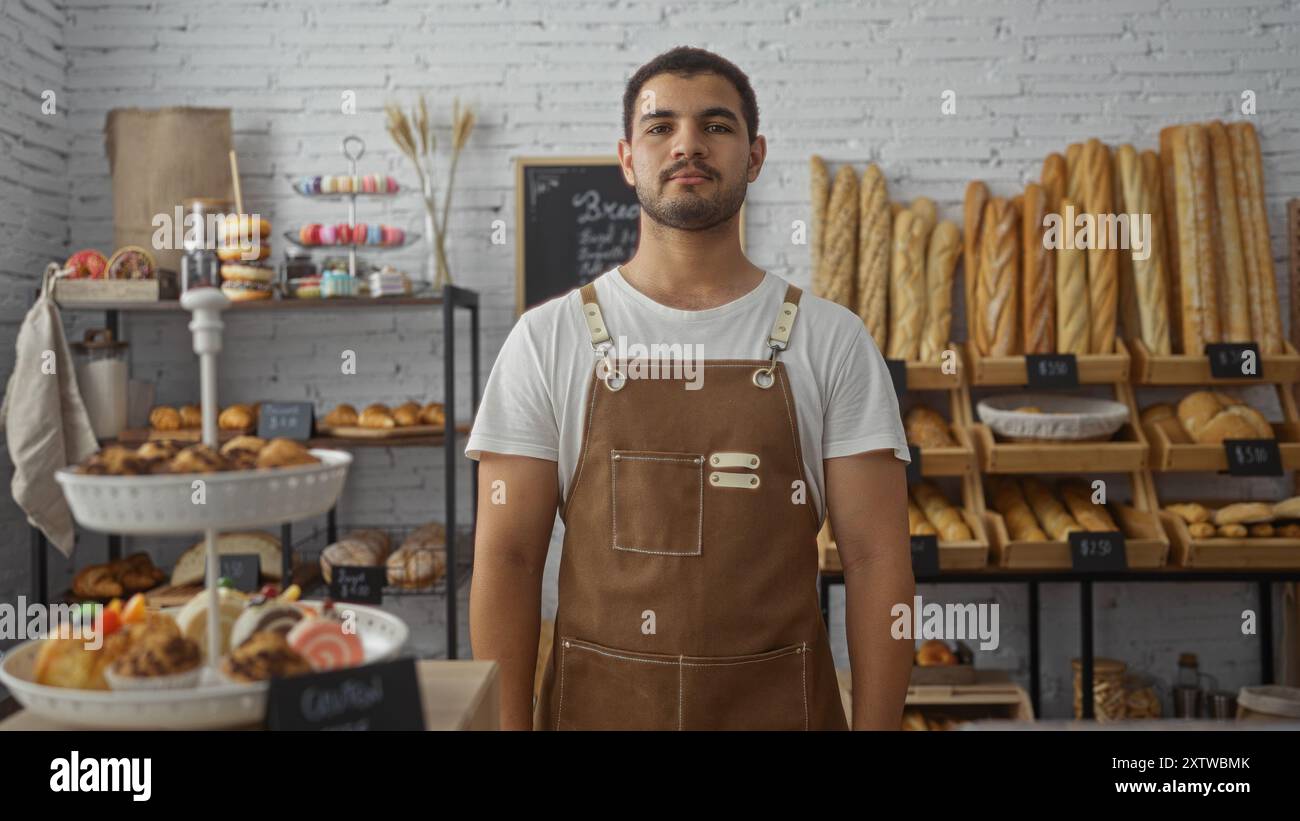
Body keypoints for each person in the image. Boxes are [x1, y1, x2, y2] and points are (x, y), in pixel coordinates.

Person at [467, 46, 914, 730]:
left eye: (716, 125)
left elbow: (877, 557)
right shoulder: (547, 339)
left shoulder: (832, 340)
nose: (688, 145)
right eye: (660, 126)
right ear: (627, 158)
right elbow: (509, 557)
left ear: (755, 156)